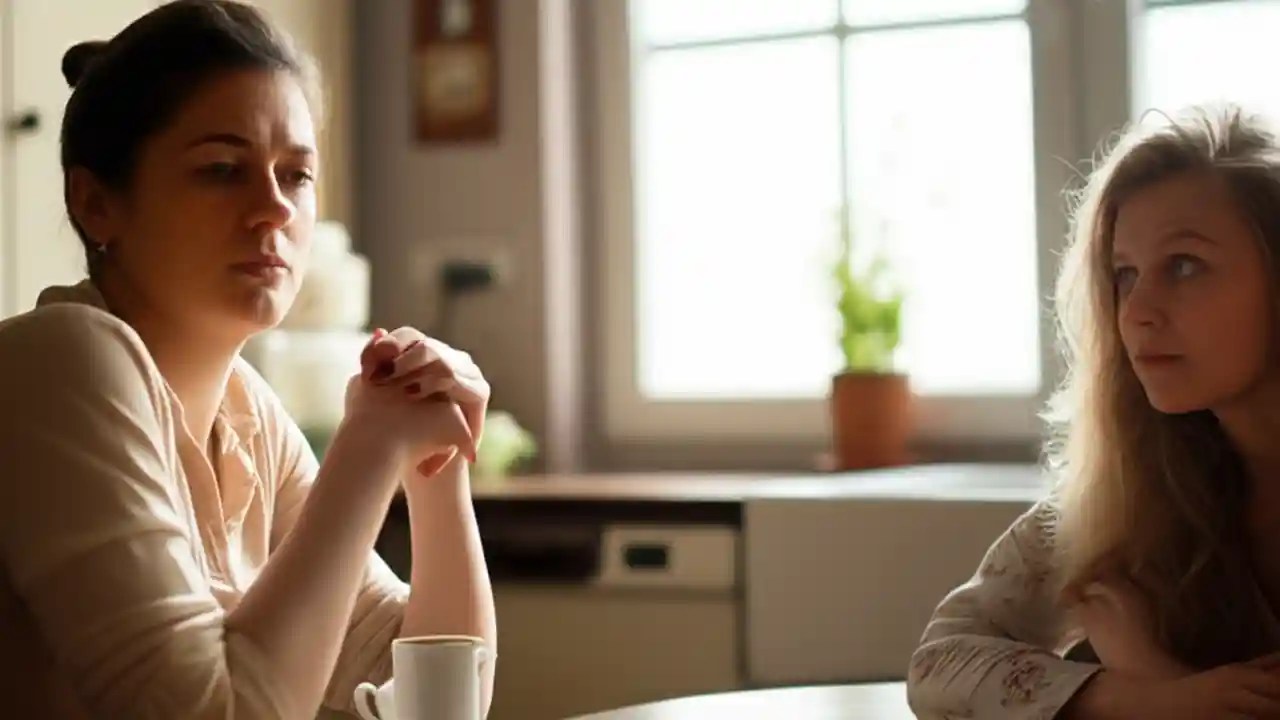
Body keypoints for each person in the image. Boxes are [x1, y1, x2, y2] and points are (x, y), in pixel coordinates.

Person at [0, 2, 496, 718]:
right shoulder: (60, 360)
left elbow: (441, 701)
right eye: (223, 169)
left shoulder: (247, 411)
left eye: (296, 176)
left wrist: (433, 463)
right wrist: (368, 448)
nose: (273, 209)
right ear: (96, 203)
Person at [908, 104, 1280, 719]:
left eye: (1184, 266)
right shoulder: (1127, 500)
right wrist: (1147, 699)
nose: (1136, 312)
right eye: (1125, 275)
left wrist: (1157, 672)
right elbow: (938, 663)